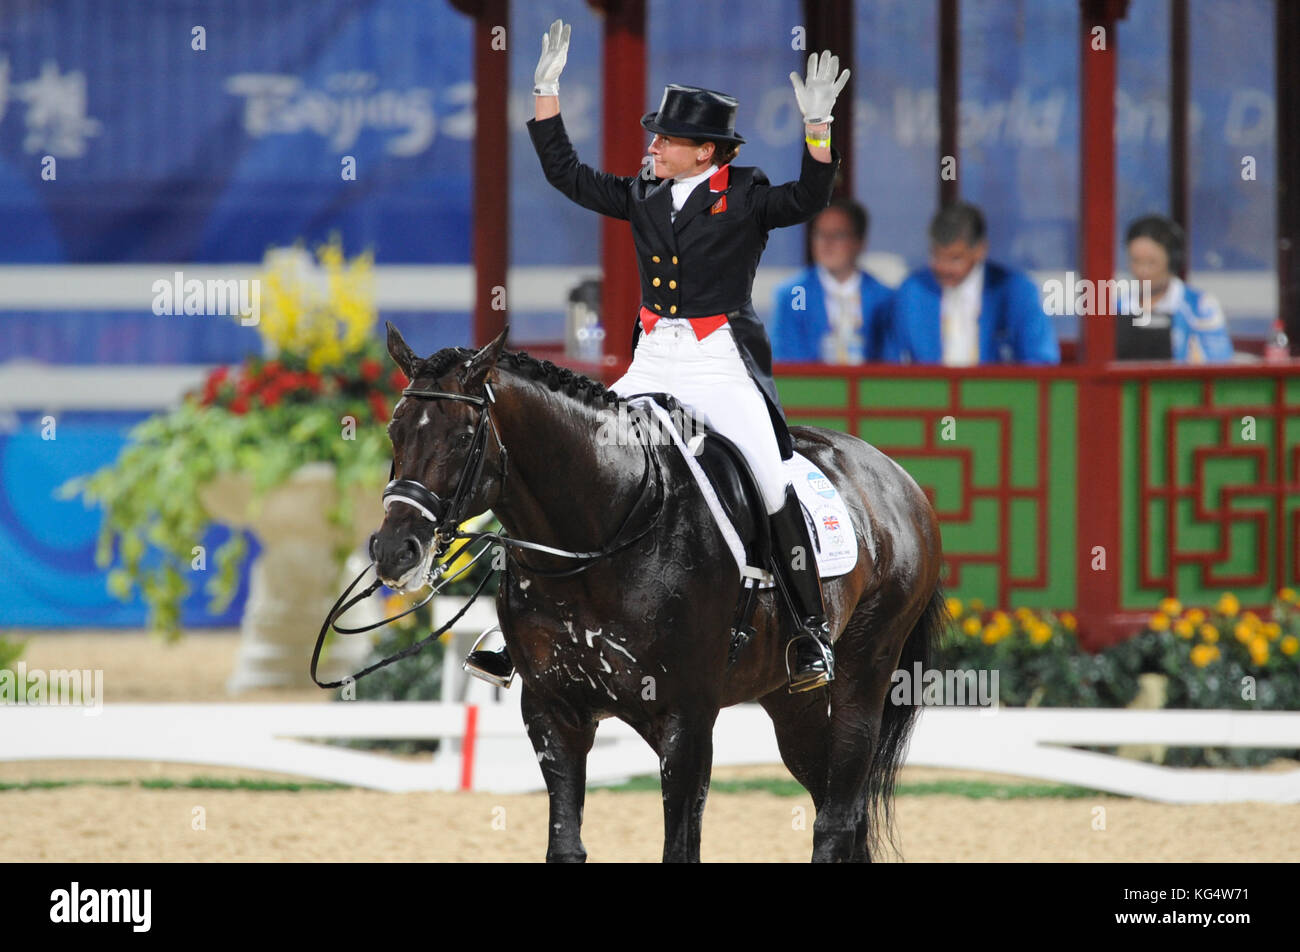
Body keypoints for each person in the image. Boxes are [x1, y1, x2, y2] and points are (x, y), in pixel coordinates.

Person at [464, 18, 848, 693]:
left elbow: (810, 198)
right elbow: (568, 177)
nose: (653, 146)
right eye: (655, 136)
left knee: (768, 474)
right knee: (578, 462)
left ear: (705, 153)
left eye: (666, 139)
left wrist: (817, 133)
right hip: (655, 358)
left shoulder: (748, 197)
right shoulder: (642, 195)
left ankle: (806, 629)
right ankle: (519, 622)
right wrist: (544, 94)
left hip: (719, 358)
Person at [885, 202, 1059, 365]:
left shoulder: (1017, 291)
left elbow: (1041, 362)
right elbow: (890, 359)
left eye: (955, 258)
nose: (943, 268)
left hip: (998, 395)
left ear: (980, 250)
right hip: (926, 396)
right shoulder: (912, 291)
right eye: (936, 256)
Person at [769, 198, 894, 363]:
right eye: (820, 234)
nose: (826, 243)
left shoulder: (883, 298)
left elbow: (890, 363)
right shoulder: (793, 295)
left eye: (838, 235)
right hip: (810, 387)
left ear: (859, 242)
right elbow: (788, 361)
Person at [1116, 213, 1233, 362]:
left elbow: (1220, 361)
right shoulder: (1117, 306)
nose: (1142, 271)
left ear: (1172, 261)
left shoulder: (1200, 306)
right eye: (1136, 261)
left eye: (1151, 262)